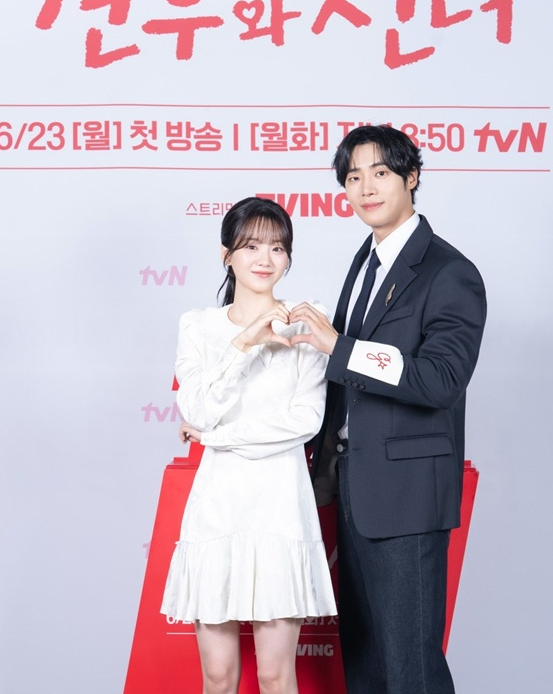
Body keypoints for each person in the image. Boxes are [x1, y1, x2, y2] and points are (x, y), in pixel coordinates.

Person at [290, 125, 487, 694]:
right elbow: (343, 378)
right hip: (354, 486)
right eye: (353, 177)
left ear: (412, 177)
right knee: (367, 664)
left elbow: (441, 379)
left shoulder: (449, 272)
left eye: (380, 173)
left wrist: (340, 347)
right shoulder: (365, 262)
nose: (366, 188)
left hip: (406, 497)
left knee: (410, 669)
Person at [161, 197, 337, 694]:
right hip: (217, 512)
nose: (266, 258)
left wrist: (218, 437)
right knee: (217, 677)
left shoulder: (308, 322)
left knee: (276, 676)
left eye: (278, 248)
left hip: (280, 510)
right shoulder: (198, 326)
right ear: (227, 255)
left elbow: (303, 421)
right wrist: (246, 344)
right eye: (252, 245)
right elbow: (198, 410)